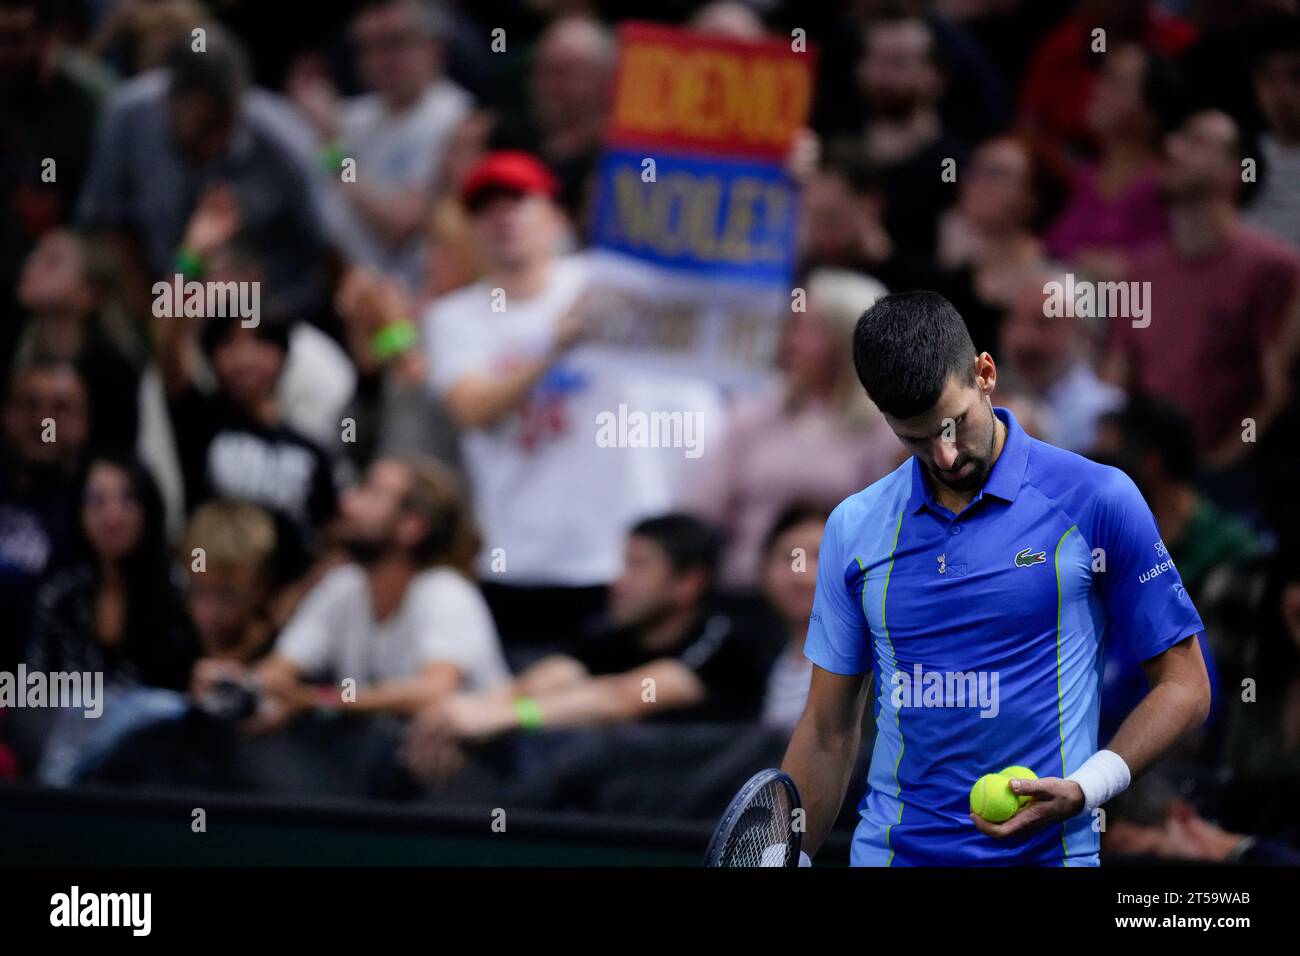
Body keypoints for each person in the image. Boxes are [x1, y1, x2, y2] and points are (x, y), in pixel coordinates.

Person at [783, 291, 1211, 866]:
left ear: (985, 373)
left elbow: (1185, 686)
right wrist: (788, 855)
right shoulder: (854, 527)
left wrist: (1087, 786)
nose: (946, 456)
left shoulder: (1098, 499)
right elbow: (827, 729)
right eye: (915, 437)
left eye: (954, 425)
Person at [422, 150, 716, 649]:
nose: (503, 218)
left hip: (614, 557)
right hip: (516, 557)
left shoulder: (605, 279)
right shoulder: (454, 318)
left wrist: (781, 179)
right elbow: (471, 408)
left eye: (518, 201)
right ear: (469, 230)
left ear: (557, 217)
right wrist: (553, 347)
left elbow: (710, 263)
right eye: (486, 208)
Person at [402, 514, 777, 784]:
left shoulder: (726, 643)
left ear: (688, 583)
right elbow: (553, 676)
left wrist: (504, 716)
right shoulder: (611, 634)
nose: (619, 581)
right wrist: (460, 715)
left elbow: (622, 698)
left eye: (638, 566)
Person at [192, 456, 509, 732]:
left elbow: (435, 691)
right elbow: (279, 672)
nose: (348, 503)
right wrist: (236, 684)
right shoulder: (343, 587)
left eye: (371, 492)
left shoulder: (445, 592)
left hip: (483, 770)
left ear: (412, 526)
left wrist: (313, 699)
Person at [1104, 110, 1300, 471]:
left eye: (1195, 141)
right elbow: (1116, 382)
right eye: (1176, 137)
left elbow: (1276, 394)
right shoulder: (1139, 271)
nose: (1172, 147)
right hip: (1146, 473)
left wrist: (1221, 464)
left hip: (1233, 476)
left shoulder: (1274, 268)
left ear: (1235, 172)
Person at [687, 269, 898, 590]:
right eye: (792, 327)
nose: (791, 342)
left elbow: (887, 529)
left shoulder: (886, 429)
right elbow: (702, 511)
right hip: (743, 588)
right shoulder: (756, 411)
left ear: (849, 338)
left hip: (837, 594)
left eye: (809, 330)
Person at [287, 0, 473, 290]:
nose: (380, 59)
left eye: (394, 43)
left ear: (433, 47)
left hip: (421, 291)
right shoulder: (352, 117)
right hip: (350, 289)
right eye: (367, 48)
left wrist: (333, 147)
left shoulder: (458, 120)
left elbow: (399, 225)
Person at [26, 453, 198, 691]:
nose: (113, 517)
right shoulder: (60, 596)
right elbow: (34, 692)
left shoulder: (181, 591)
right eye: (96, 501)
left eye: (128, 499)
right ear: (78, 512)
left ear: (149, 508)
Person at [0, 358, 90, 672]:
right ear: (7, 414)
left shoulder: (99, 508)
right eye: (30, 405)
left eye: (60, 408)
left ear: (84, 422)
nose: (43, 421)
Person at [999, 271, 1125, 454]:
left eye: (1044, 323)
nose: (1023, 338)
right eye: (1015, 320)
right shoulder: (989, 403)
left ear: (1085, 336)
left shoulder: (1107, 414)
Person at [758, 503, 830, 733]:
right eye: (790, 558)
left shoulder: (875, 662)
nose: (802, 574)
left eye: (819, 556)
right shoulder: (757, 661)